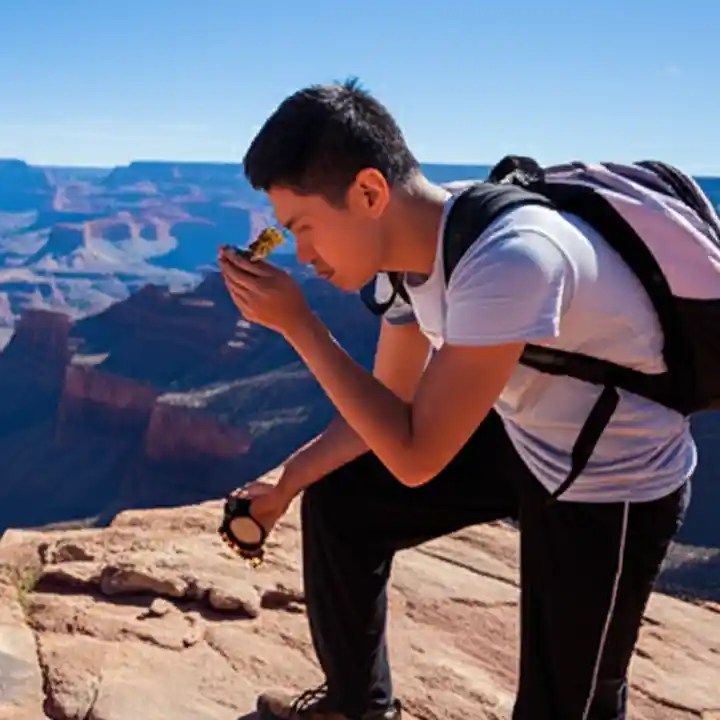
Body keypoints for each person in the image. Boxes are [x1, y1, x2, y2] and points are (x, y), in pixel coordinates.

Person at [217, 78, 695, 720]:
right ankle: (355, 707)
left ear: (369, 193)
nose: (302, 255)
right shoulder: (411, 253)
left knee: (568, 702)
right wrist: (286, 483)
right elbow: (389, 402)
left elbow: (417, 458)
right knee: (344, 501)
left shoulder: (511, 259)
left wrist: (299, 325)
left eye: (304, 227)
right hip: (527, 435)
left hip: (612, 476)